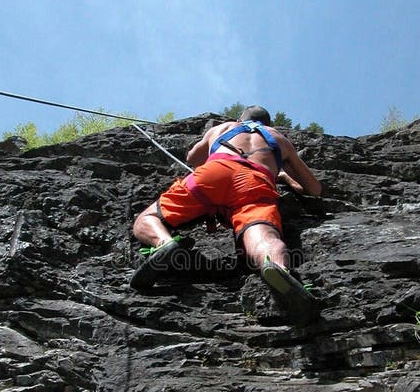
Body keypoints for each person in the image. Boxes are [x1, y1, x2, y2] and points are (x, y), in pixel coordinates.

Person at [131, 106, 322, 318]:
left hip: (214, 173)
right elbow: (314, 188)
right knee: (263, 237)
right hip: (254, 181)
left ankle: (164, 244)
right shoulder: (278, 138)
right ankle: (277, 269)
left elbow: (192, 158)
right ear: (268, 124)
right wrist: (283, 172)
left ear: (240, 119)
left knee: (148, 218)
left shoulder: (224, 127)